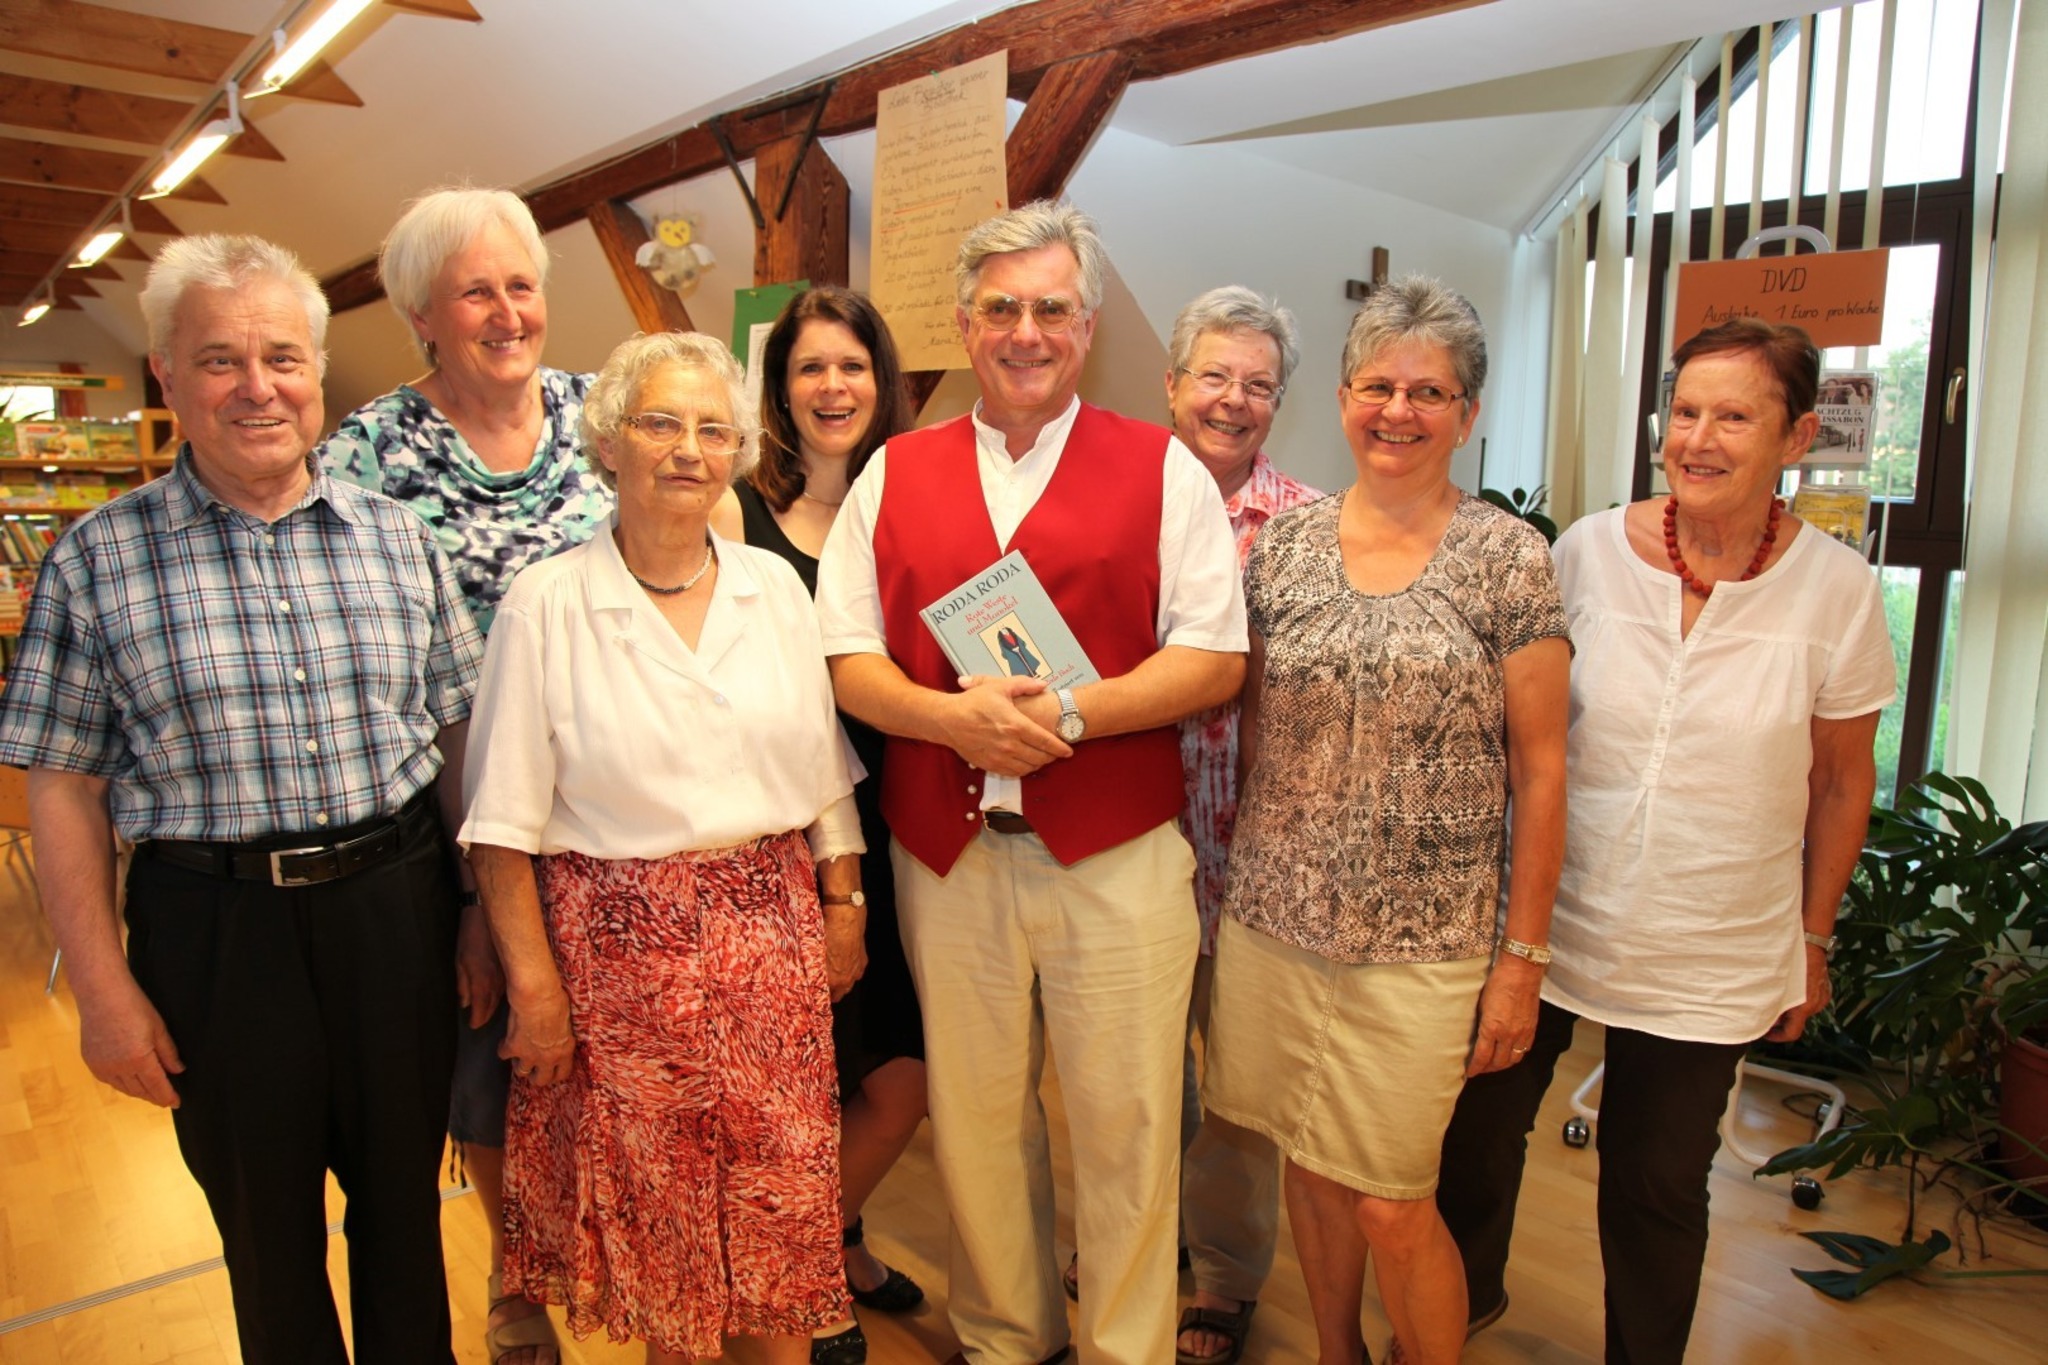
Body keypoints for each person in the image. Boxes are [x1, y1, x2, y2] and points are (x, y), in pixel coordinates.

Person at [0, 234, 484, 1364]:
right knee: (265, 1239)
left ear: (318, 369)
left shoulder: (399, 543)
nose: (257, 388)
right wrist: (104, 992)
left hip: (396, 914)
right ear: (166, 375)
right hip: (216, 936)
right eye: (220, 360)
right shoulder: (94, 561)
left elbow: (458, 735)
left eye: (281, 356)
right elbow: (62, 789)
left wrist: (472, 910)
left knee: (405, 1219)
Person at [816, 200, 1247, 1365]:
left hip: (1115, 860)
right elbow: (846, 658)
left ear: (1088, 323)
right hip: (947, 864)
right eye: (1000, 308)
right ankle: (1009, 1341)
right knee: (975, 1126)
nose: (1025, 331)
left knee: (1128, 1127)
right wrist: (949, 721)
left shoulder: (1162, 470)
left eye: (1050, 308)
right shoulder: (889, 476)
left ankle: (1121, 1350)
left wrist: (1063, 712)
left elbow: (1212, 658)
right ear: (965, 323)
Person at [1433, 318, 1895, 1365]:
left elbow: (1838, 780)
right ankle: (1451, 1319)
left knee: (1653, 1183)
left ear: (1794, 436)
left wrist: (1811, 939)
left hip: (1711, 941)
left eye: (1733, 416)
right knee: (1472, 1143)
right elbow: (1518, 729)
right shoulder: (1586, 552)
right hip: (1547, 918)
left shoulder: (1836, 590)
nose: (1697, 438)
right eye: (1683, 411)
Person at [461, 330, 864, 1365]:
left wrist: (843, 901)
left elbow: (820, 767)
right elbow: (501, 828)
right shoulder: (547, 603)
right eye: (659, 423)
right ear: (609, 441)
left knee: (775, 1236)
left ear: (735, 450)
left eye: (710, 429)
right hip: (615, 961)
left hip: (770, 939)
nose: (687, 449)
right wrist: (536, 992)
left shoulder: (773, 590)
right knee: (667, 1244)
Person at [1201, 275, 1571, 1365]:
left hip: (1429, 944)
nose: (1397, 411)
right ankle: (1333, 1351)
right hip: (1277, 917)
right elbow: (1260, 728)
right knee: (1306, 1166)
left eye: (1428, 391)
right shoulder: (1288, 547)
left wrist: (1520, 958)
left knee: (1392, 1198)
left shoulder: (1508, 558)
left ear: (1466, 411)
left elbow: (1541, 773)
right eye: (1376, 385)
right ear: (1346, 397)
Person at [320, 184, 611, 1365]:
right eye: (474, 291)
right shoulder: (366, 455)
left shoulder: (605, 413)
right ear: (420, 317)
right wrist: (467, 880)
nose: (506, 311)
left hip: (611, 804)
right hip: (454, 806)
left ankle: (602, 1253)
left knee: (602, 1057)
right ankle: (518, 1270)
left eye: (521, 284)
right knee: (492, 1064)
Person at [708, 285, 928, 1365]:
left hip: (905, 827)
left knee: (900, 1077)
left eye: (852, 366)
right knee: (801, 1083)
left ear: (881, 384)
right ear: (779, 388)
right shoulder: (736, 513)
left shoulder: (915, 507)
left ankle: (817, 1241)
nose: (833, 387)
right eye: (810, 368)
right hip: (781, 843)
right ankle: (796, 1283)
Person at [1164, 285, 1323, 1365]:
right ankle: (1141, 1240)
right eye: (1213, 376)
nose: (1232, 400)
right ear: (1170, 384)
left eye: (1257, 384)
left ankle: (1221, 1278)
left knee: (1238, 1095)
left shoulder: (1311, 527)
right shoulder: (1118, 495)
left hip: (1256, 859)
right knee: (1129, 1076)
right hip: (1130, 844)